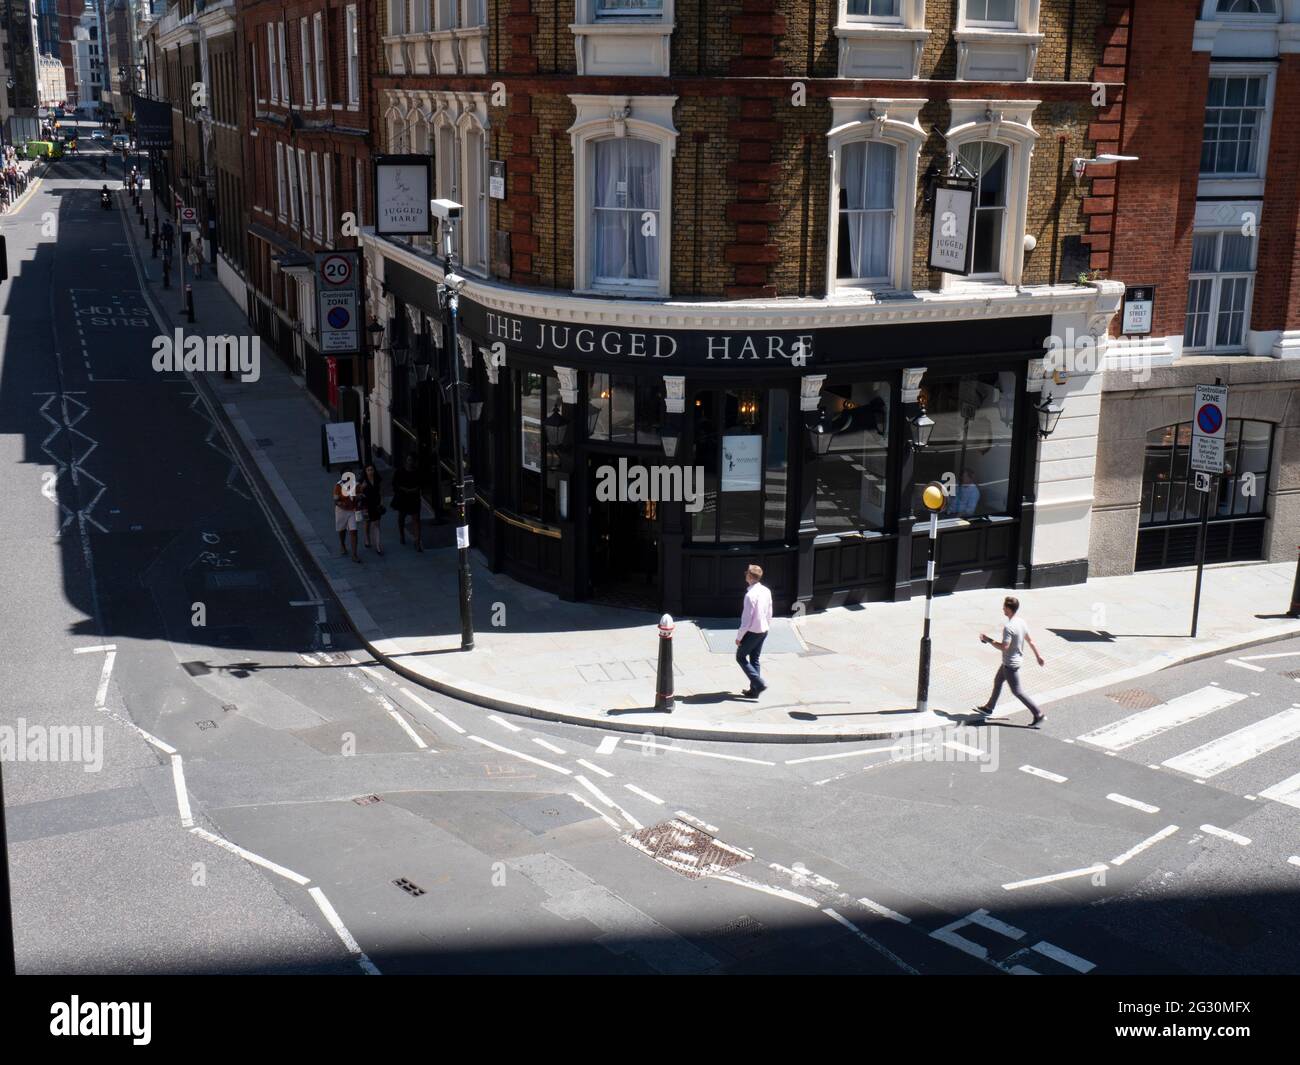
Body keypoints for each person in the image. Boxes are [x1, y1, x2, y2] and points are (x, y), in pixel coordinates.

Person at [975, 596, 1046, 727]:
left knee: (1017, 691)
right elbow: (1030, 641)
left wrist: (988, 640)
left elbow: (1004, 647)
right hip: (1014, 661)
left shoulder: (1009, 627)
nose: (1002, 608)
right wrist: (1038, 656)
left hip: (1010, 665)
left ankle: (1038, 713)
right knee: (998, 681)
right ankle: (989, 707)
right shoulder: (1021, 622)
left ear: (1008, 609)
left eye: (1004, 607)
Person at [735, 563, 773, 698]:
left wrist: (739, 637)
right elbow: (770, 612)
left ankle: (758, 683)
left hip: (752, 632)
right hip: (763, 630)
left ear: (750, 576)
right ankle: (754, 691)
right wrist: (767, 626)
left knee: (740, 657)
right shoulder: (766, 590)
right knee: (754, 658)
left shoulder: (750, 595)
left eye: (747, 573)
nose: (745, 574)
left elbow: (746, 621)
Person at [392, 454, 423, 551]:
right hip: (403, 497)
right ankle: (402, 535)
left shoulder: (417, 472)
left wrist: (416, 489)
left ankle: (417, 541)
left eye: (411, 460)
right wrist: (403, 489)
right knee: (402, 517)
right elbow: (395, 483)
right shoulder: (400, 471)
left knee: (416, 519)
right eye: (408, 460)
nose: (410, 462)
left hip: (414, 497)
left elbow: (421, 483)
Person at [333, 470, 361, 562]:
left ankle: (354, 554)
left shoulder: (356, 485)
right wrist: (341, 503)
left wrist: (358, 497)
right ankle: (342, 544)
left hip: (352, 511)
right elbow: (335, 500)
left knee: (354, 531)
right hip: (341, 511)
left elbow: (360, 495)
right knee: (342, 530)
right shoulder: (338, 486)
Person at [359, 464, 385, 555]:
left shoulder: (378, 480)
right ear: (365, 471)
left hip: (376, 504)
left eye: (372, 469)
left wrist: (382, 502)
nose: (370, 471)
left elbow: (381, 491)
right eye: (368, 470)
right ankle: (367, 537)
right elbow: (358, 493)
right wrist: (362, 487)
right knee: (367, 521)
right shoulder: (362, 481)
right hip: (366, 505)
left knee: (377, 524)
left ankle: (378, 545)